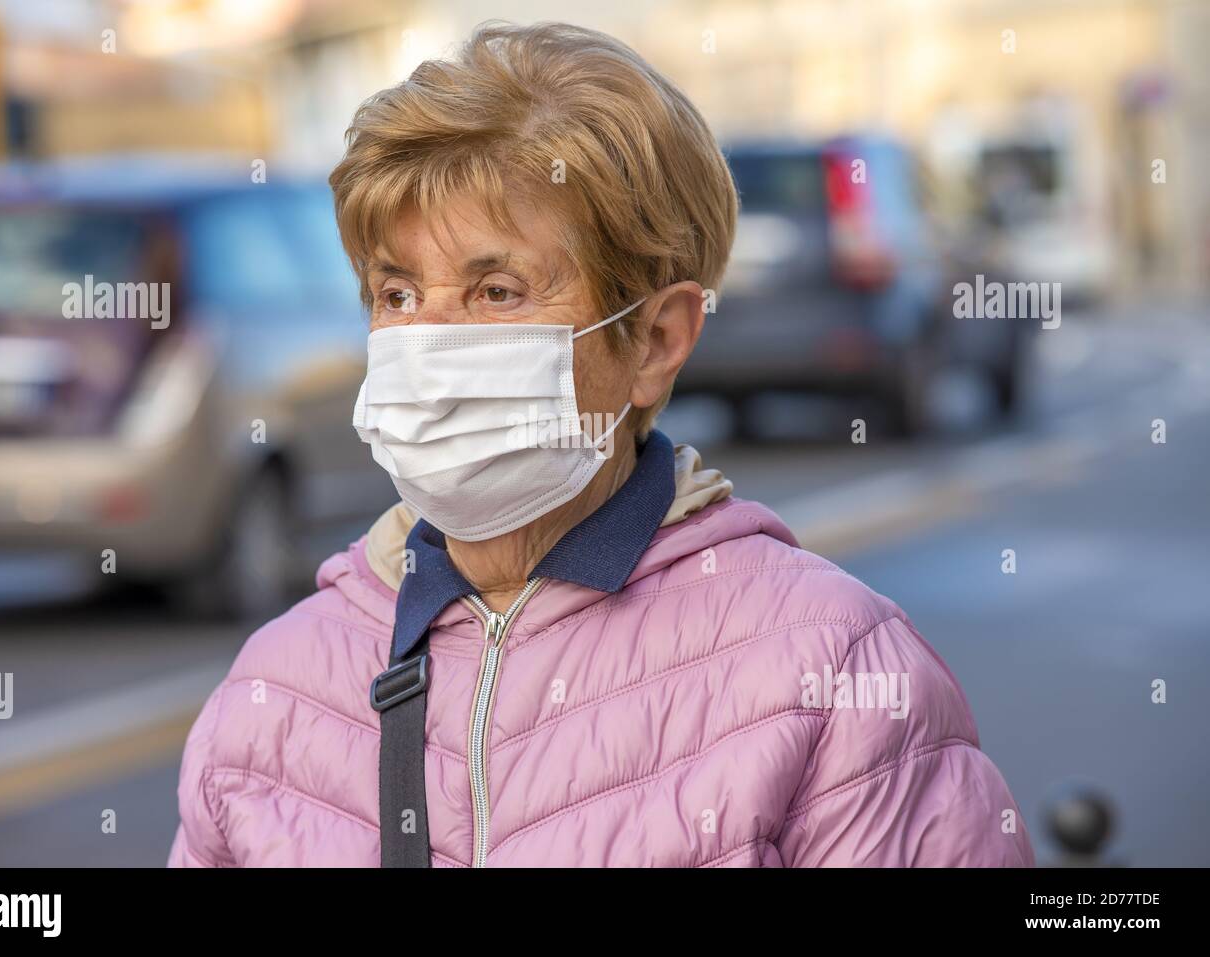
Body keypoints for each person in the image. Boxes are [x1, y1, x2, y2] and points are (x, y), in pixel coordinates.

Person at [168, 21, 1033, 868]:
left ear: (656, 340)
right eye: (395, 294)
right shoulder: (273, 693)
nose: (424, 343)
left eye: (496, 291)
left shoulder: (833, 676)